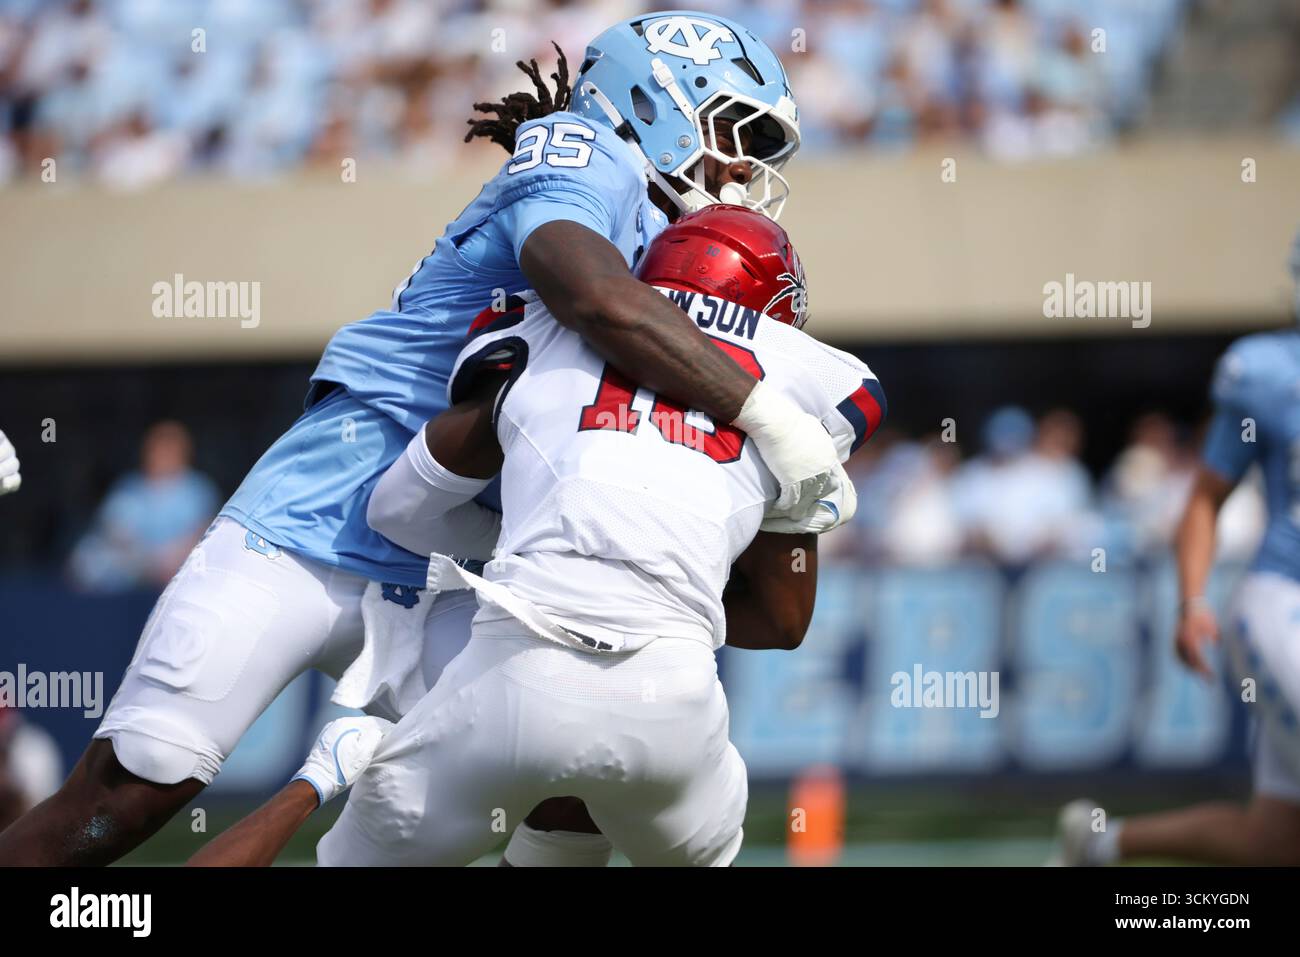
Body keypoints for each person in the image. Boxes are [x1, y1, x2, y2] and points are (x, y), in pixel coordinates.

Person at [0, 12, 843, 867]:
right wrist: (771, 413)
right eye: (739, 133)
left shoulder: (656, 252)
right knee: (125, 798)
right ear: (651, 104)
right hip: (320, 522)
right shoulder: (587, 152)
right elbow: (591, 297)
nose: (745, 170)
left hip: (461, 576)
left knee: (570, 779)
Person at [316, 205, 882, 866]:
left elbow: (397, 510)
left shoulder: (539, 334)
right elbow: (784, 622)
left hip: (511, 674)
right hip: (671, 701)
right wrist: (674, 577)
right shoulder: (797, 390)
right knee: (645, 824)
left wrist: (533, 546)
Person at [1055, 229, 1300, 866]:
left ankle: (1102, 844)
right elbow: (1204, 500)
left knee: (1275, 842)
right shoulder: (1269, 373)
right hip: (1286, 601)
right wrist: (1192, 600)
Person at [66, 421, 219, 592]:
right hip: (135, 565)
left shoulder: (197, 489)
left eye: (169, 449)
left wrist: (170, 559)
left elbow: (204, 531)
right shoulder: (129, 488)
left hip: (180, 565)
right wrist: (148, 561)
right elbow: (115, 531)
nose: (161, 455)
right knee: (87, 560)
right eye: (157, 448)